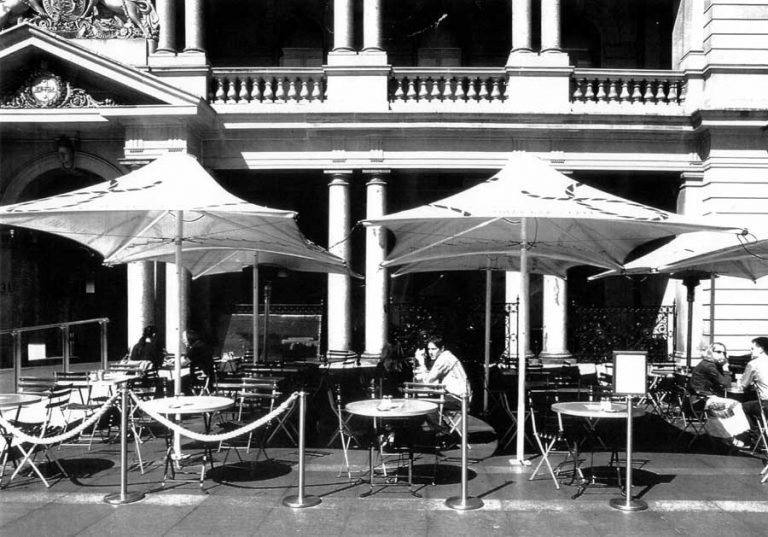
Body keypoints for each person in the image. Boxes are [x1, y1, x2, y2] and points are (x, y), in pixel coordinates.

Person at [415, 334, 472, 404]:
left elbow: (428, 381)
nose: (430, 352)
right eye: (429, 349)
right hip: (457, 396)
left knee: (420, 402)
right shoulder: (446, 356)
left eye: (433, 349)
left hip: (457, 398)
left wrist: (421, 363)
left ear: (442, 348)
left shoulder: (444, 358)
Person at [738, 336, 768, 446]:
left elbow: (743, 386)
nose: (750, 351)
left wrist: (740, 382)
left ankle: (756, 439)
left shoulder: (753, 364)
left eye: (752, 348)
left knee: (741, 408)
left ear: (761, 349)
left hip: (766, 403)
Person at [688, 342, 732, 412]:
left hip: (700, 397)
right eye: (718, 352)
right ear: (710, 352)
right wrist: (725, 368)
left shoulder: (706, 363)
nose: (722, 355)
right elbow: (726, 384)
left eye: (724, 353)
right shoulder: (709, 366)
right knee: (734, 405)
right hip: (701, 400)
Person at [184, 329, 216, 394]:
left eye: (184, 339)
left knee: (179, 381)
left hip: (199, 377)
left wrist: (175, 363)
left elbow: (185, 363)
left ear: (189, 338)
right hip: (207, 375)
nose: (183, 341)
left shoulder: (195, 348)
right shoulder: (201, 345)